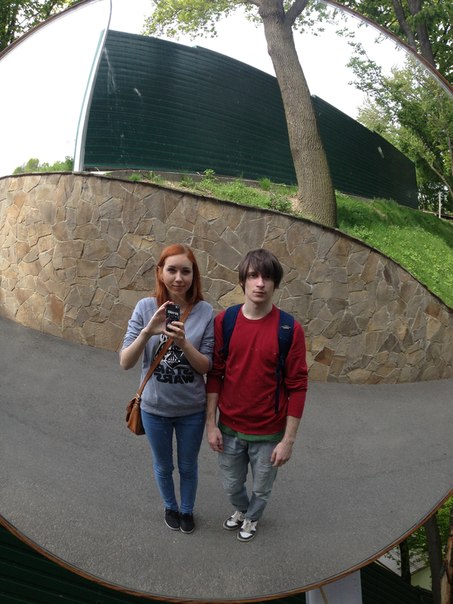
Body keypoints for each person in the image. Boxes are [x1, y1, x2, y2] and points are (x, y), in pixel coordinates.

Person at [206, 248, 308, 542]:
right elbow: (215, 374)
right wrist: (211, 424)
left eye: (267, 277)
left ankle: (251, 517)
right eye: (253, 276)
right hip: (229, 428)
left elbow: (298, 386)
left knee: (262, 488)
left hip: (269, 433)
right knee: (231, 484)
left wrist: (288, 441)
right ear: (243, 281)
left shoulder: (289, 329)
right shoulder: (225, 321)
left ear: (275, 283)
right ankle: (242, 509)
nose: (260, 283)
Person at [120, 244, 214, 534]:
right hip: (154, 408)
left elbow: (205, 366)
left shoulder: (205, 311)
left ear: (194, 275)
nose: (178, 278)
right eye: (171, 270)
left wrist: (184, 342)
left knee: (188, 466)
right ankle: (170, 506)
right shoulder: (145, 307)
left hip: (191, 410)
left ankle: (187, 510)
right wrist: (148, 331)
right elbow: (125, 362)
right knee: (163, 466)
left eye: (186, 271)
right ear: (160, 273)